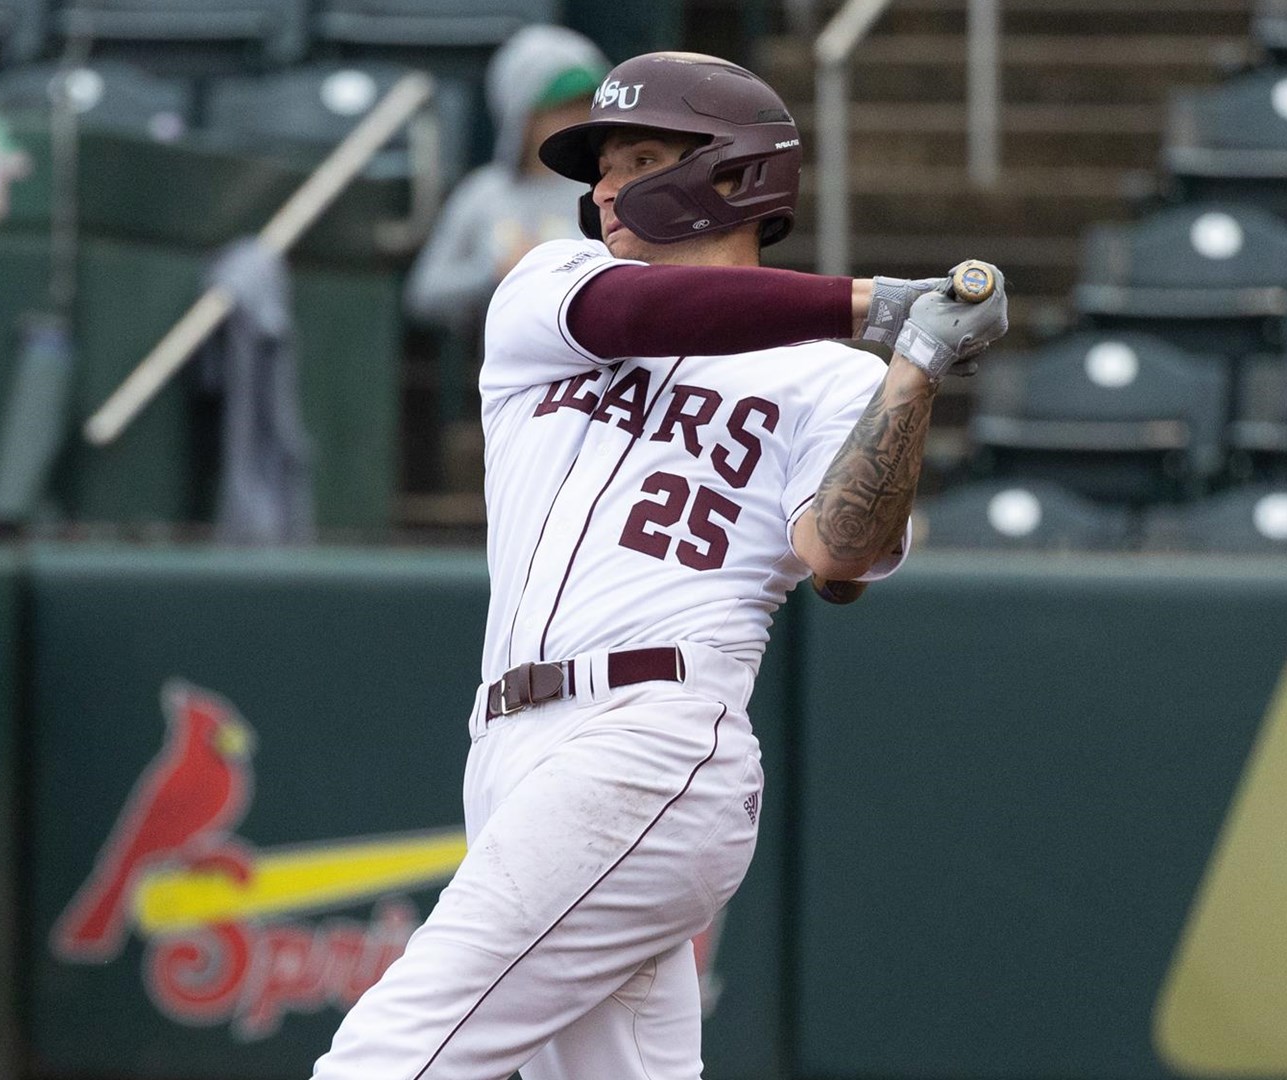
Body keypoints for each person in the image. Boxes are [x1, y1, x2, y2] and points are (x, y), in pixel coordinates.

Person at [309, 50, 1007, 1080]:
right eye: (599, 165)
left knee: (393, 1054)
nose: (601, 188)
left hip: (652, 736)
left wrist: (914, 370)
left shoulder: (826, 378)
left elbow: (841, 555)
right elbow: (634, 317)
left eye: (637, 157)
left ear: (734, 177)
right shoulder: (555, 284)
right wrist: (866, 302)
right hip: (508, 746)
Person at [402, 26, 610, 332]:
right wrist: (496, 273)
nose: (576, 118)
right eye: (559, 107)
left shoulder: (609, 188)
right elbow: (424, 294)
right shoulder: (483, 193)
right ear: (521, 112)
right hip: (506, 372)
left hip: (602, 369)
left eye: (585, 103)